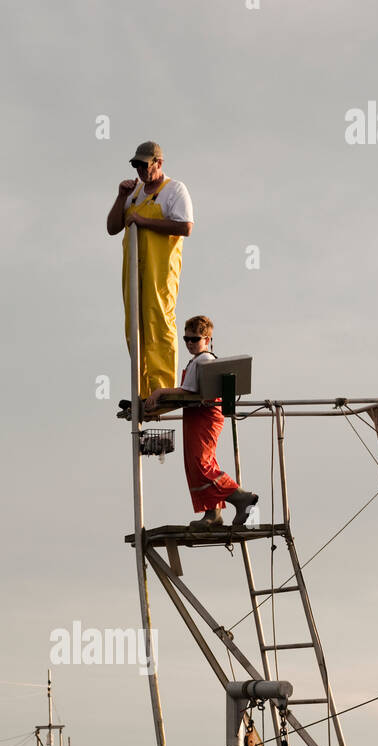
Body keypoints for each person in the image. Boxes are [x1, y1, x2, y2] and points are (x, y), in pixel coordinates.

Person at [146, 315, 258, 529]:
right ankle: (212, 512)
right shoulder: (198, 361)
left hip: (203, 417)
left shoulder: (203, 361)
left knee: (201, 464)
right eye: (186, 339)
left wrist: (160, 392)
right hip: (197, 416)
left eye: (194, 339)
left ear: (207, 339)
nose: (189, 343)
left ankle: (241, 497)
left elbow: (188, 392)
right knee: (198, 464)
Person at [107, 141, 193, 399]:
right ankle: (142, 392)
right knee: (135, 327)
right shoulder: (134, 193)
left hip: (160, 270)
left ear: (159, 163)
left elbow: (185, 227)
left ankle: (162, 391)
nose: (141, 171)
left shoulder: (175, 190)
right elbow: (112, 228)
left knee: (159, 323)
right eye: (136, 166)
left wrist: (143, 221)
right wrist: (121, 196)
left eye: (144, 165)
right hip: (133, 270)